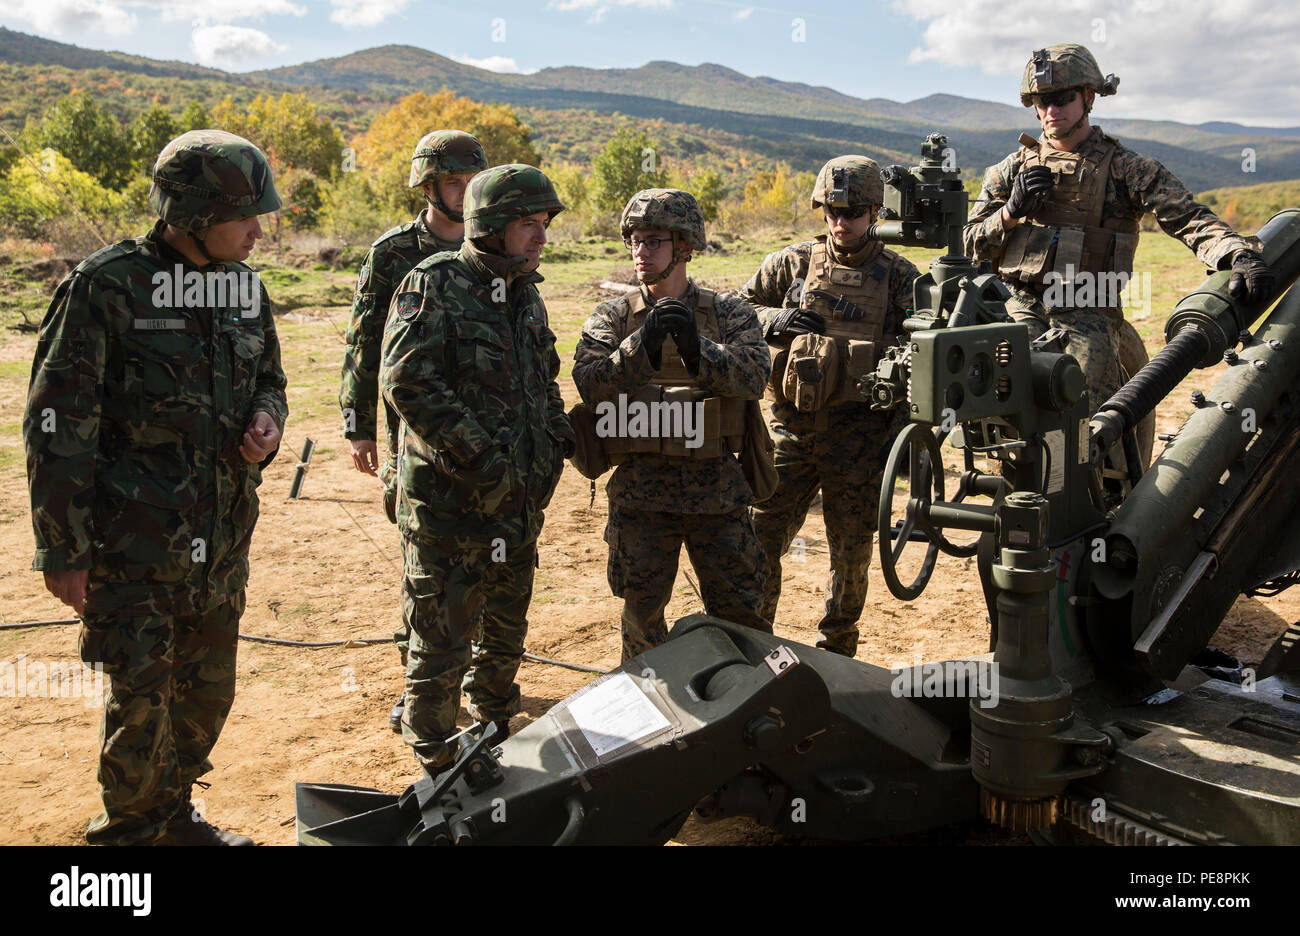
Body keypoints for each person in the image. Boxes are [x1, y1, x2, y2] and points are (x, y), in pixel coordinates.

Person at [24, 129, 289, 845]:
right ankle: (130, 842)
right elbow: (56, 426)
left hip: (221, 545)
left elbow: (271, 377)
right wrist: (63, 549)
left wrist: (267, 420)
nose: (258, 231)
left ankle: (171, 819)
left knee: (204, 701)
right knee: (141, 711)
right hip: (133, 549)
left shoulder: (242, 289)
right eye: (245, 215)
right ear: (196, 214)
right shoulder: (104, 288)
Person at [964, 43, 1275, 453]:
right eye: (1041, 102)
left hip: (1088, 305)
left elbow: (1186, 216)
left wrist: (1236, 254)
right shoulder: (1011, 169)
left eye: (1062, 99)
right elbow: (970, 243)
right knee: (992, 399)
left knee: (1083, 412)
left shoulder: (1124, 166)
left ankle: (1104, 498)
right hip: (1019, 303)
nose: (1051, 110)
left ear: (1088, 97)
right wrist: (1010, 212)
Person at [380, 164, 573, 776]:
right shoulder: (433, 283)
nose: (540, 236)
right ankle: (434, 755)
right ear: (489, 226)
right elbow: (408, 382)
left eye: (543, 223)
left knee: (506, 630)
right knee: (441, 638)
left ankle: (492, 727)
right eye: (527, 224)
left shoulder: (526, 292)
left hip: (516, 503)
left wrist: (555, 441)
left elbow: (542, 377)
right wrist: (484, 461)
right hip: (449, 505)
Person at [573, 188, 773, 662]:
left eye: (655, 241)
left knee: (743, 617)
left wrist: (694, 347)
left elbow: (754, 377)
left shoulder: (728, 313)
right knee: (642, 622)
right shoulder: (615, 316)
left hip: (717, 492)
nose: (641, 252)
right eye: (635, 241)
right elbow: (590, 383)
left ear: (685, 247)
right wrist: (643, 344)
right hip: (641, 494)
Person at [338, 130, 487, 731]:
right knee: (423, 559)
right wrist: (359, 427)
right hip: (412, 435)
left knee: (481, 549)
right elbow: (364, 340)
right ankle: (419, 680)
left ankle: (476, 672)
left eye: (472, 181)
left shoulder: (490, 243)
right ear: (428, 186)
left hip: (480, 430)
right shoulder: (393, 252)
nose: (465, 192)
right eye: (455, 182)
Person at [741, 157, 918, 657]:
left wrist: (901, 445)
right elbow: (737, 310)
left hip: (861, 438)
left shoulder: (902, 279)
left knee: (851, 552)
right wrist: (776, 319)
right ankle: (754, 644)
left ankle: (838, 650)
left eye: (855, 211)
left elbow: (925, 359)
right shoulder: (790, 265)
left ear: (875, 212)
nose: (842, 222)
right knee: (759, 538)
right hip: (790, 432)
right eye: (833, 210)